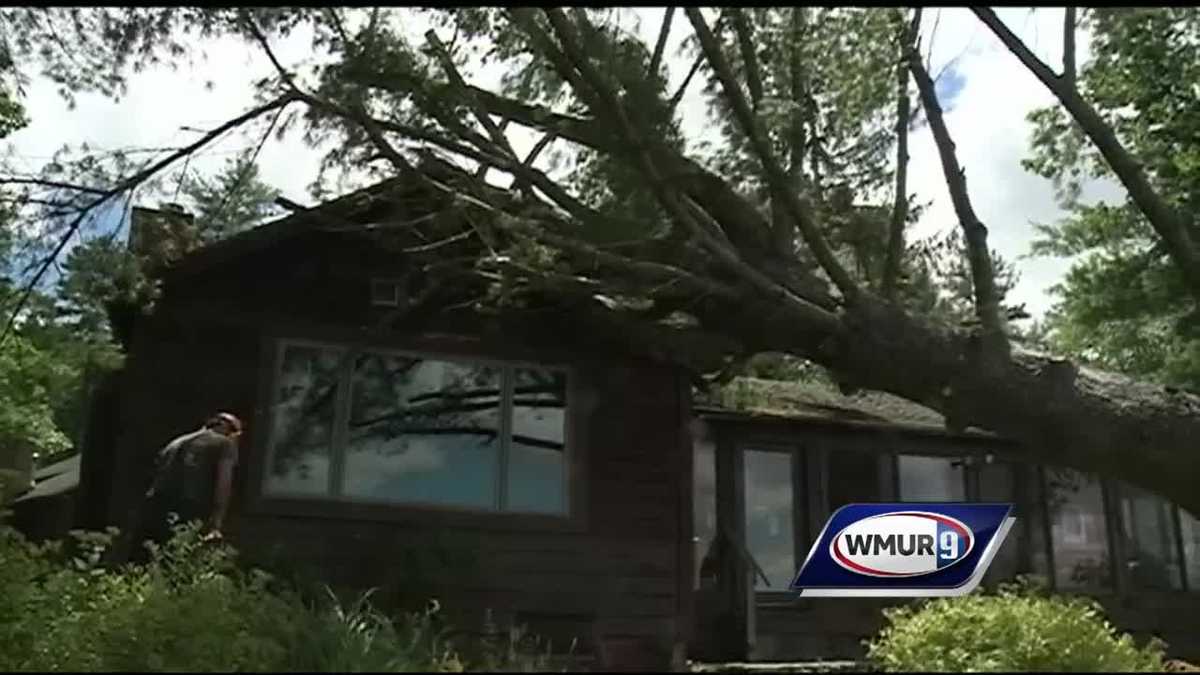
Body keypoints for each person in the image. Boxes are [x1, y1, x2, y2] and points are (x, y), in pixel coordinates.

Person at [133, 412, 243, 557]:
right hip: (188, 507)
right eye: (235, 433)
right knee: (179, 558)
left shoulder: (176, 442)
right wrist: (216, 523)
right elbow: (224, 484)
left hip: (154, 505)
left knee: (150, 556)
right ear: (226, 428)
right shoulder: (224, 444)